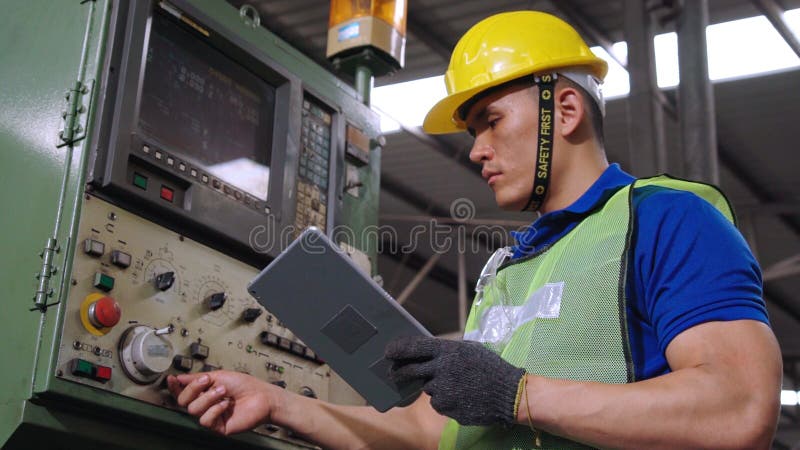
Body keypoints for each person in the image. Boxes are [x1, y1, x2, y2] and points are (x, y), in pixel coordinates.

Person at [167, 11, 782, 449]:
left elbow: (739, 407)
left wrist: (517, 394)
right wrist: (278, 403)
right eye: (472, 132)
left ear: (566, 110)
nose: (477, 150)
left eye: (491, 120)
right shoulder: (507, 271)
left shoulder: (666, 218)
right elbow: (429, 433)